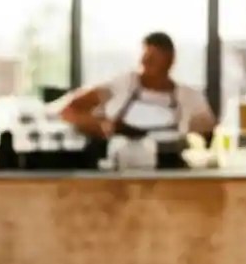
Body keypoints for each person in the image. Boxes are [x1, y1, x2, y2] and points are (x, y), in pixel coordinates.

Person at [60, 32, 216, 168]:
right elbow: (70, 110)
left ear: (171, 60)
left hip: (170, 172)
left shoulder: (189, 97)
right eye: (146, 58)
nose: (147, 63)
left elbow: (209, 137)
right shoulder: (122, 84)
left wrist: (198, 141)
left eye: (154, 59)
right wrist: (100, 125)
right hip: (119, 169)